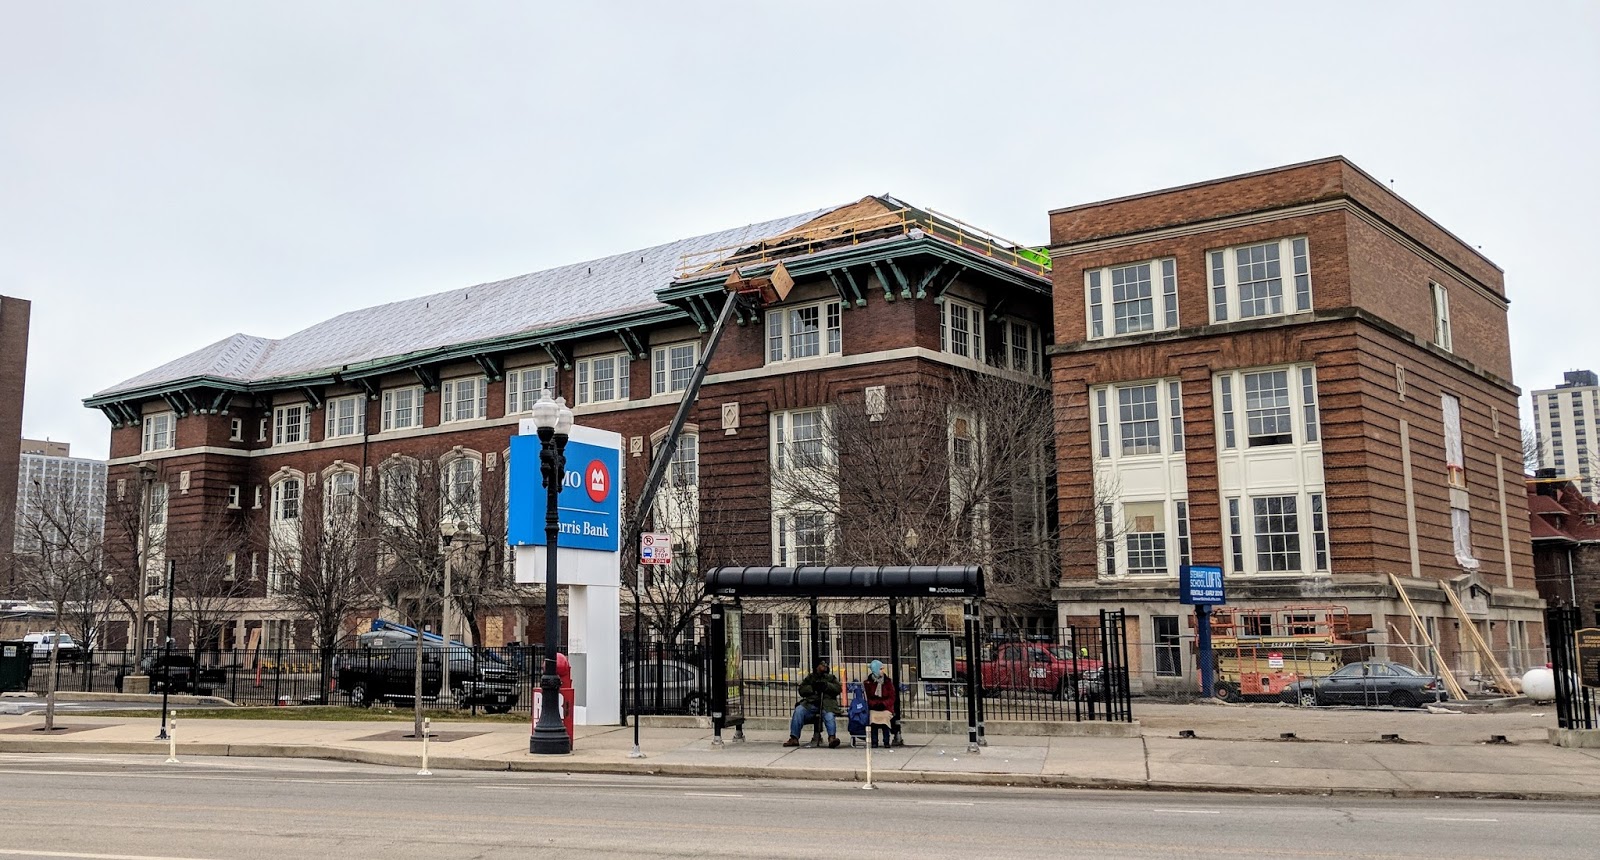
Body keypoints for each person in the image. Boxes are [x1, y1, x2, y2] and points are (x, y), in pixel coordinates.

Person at [785, 657, 842, 748]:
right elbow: (802, 690)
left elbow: (838, 689)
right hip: (811, 704)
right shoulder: (810, 678)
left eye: (825, 664)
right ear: (817, 667)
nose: (825, 666)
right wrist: (812, 688)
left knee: (829, 716)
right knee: (799, 710)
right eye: (822, 664)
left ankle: (832, 738)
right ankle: (794, 738)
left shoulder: (831, 678)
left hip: (826, 705)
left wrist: (827, 686)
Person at [863, 659, 897, 749]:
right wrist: (874, 704)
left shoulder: (888, 682)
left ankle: (886, 741)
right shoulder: (868, 683)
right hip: (874, 707)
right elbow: (867, 697)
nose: (882, 671)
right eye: (880, 669)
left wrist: (884, 704)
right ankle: (874, 741)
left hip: (886, 707)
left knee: (885, 719)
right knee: (873, 719)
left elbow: (892, 697)